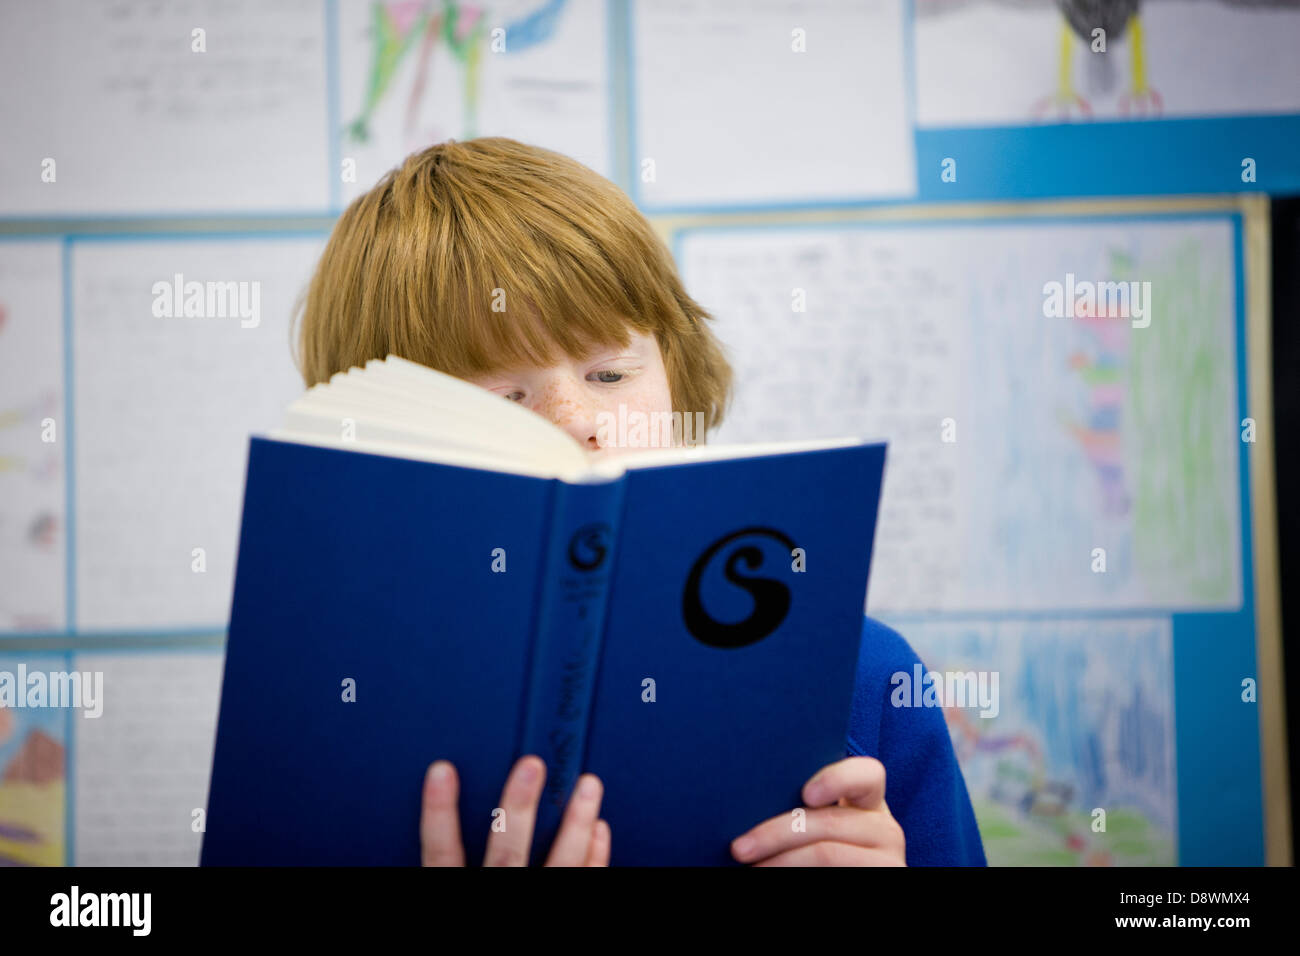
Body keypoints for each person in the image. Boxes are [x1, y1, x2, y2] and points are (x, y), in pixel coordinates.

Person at [294, 136, 986, 867]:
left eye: (610, 375)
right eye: (502, 398)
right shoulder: (319, 707)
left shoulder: (865, 674)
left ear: (676, 379)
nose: (575, 423)